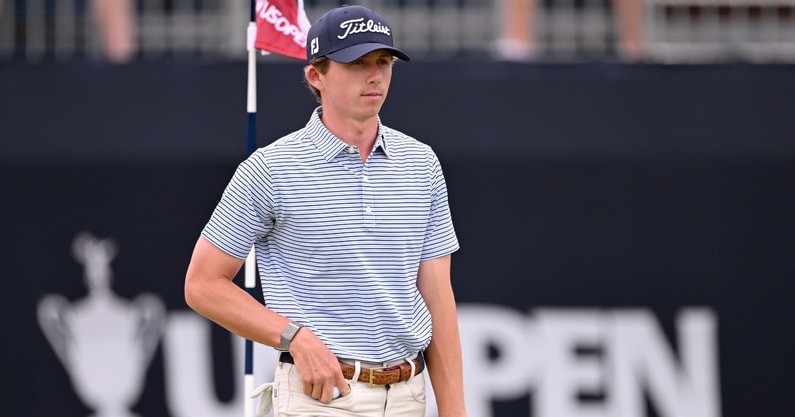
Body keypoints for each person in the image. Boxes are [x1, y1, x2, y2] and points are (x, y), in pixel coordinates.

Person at [184, 4, 468, 417]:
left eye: (384, 62)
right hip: (321, 398)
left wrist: (455, 410)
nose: (374, 75)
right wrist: (294, 338)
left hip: (410, 395)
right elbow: (202, 283)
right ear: (316, 75)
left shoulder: (421, 163)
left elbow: (437, 298)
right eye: (357, 63)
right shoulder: (271, 169)